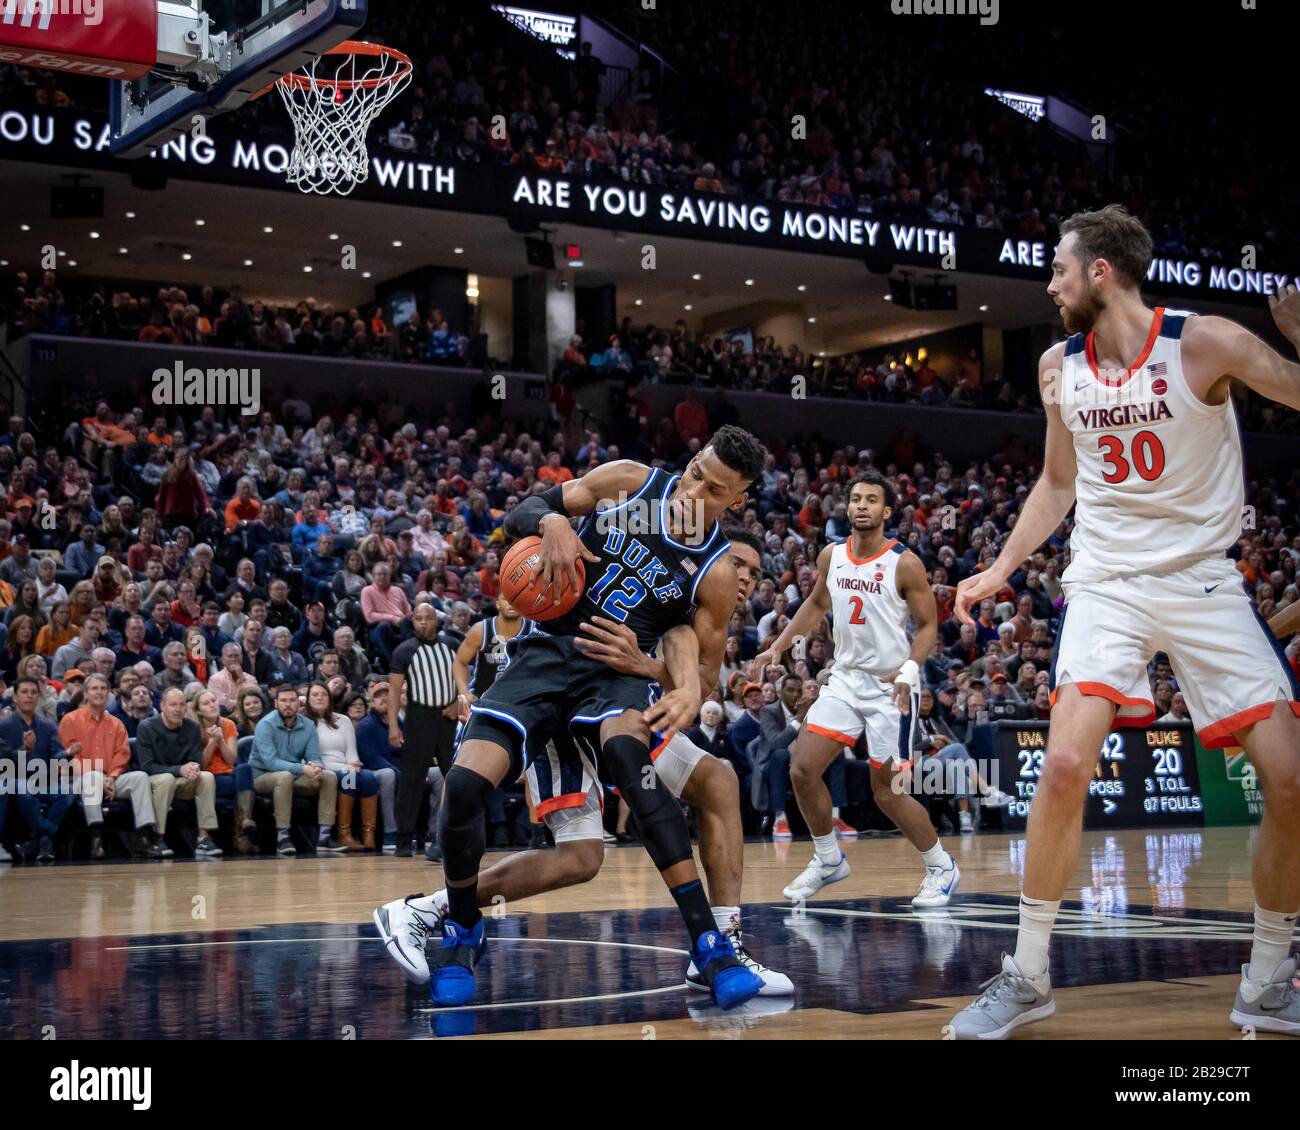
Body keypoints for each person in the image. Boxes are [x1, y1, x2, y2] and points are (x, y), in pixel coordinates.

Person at [948, 205, 1300, 1039]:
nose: (1050, 283)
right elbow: (1058, 483)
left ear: (1100, 272)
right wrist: (1000, 568)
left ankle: (1269, 977)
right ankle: (1027, 975)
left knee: (1289, 782)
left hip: (1205, 581)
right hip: (1106, 580)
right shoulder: (1054, 366)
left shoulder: (1203, 342)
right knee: (1066, 758)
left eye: (1059, 269)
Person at [373, 428, 768, 1010]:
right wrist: (552, 523)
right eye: (694, 474)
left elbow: (701, 674)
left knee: (646, 768)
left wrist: (653, 668)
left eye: (714, 491)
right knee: (463, 787)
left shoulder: (714, 572)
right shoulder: (632, 482)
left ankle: (712, 943)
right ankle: (457, 929)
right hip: (544, 656)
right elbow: (524, 512)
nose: (694, 491)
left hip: (616, 677)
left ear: (737, 500)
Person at [756, 472, 958, 907]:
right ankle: (828, 859)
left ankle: (942, 866)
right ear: (847, 508)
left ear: (886, 512)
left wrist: (909, 668)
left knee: (887, 793)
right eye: (855, 499)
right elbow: (815, 604)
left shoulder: (904, 563)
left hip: (892, 687)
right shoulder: (832, 555)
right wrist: (778, 645)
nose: (861, 505)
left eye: (871, 500)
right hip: (846, 678)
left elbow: (927, 627)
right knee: (802, 767)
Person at [384, 603, 459, 856]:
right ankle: (404, 839)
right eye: (419, 618)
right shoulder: (404, 651)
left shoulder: (451, 645)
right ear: (413, 621)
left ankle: (451, 834)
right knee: (411, 781)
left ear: (436, 620)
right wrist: (394, 725)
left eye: (428, 618)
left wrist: (457, 702)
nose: (424, 622)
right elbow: (394, 691)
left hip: (449, 718)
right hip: (419, 717)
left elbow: (466, 677)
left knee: (456, 777)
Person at [59, 672, 159, 858]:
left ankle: (143, 838)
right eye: (94, 688)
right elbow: (71, 758)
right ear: (86, 693)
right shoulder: (70, 720)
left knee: (139, 778)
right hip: (79, 780)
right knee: (92, 777)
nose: (99, 692)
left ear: (109, 693)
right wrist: (102, 778)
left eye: (103, 688)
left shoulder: (117, 723)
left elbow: (122, 755)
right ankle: (96, 840)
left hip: (110, 779)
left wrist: (111, 777)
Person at [250, 683, 344, 856]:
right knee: (284, 777)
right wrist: (302, 768)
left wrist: (316, 765)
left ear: (299, 703)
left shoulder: (308, 725)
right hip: (262, 776)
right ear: (276, 703)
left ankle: (324, 837)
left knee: (329, 776)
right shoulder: (265, 725)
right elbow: (270, 763)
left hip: (293, 774)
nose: (288, 704)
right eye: (283, 700)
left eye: (292, 700)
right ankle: (282, 836)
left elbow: (314, 756)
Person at [136, 687, 221, 856]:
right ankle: (157, 838)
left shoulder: (193, 726)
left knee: (206, 776)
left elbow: (196, 759)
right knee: (166, 779)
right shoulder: (146, 726)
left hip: (181, 779)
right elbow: (147, 766)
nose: (178, 709)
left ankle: (203, 839)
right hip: (155, 780)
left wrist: (194, 768)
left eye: (182, 705)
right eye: (173, 704)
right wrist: (180, 769)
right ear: (162, 706)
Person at [0, 675, 74, 862]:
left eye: (33, 692)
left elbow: (56, 756)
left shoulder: (48, 726)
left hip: (42, 781)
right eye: (24, 692)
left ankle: (38, 840)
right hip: (11, 780)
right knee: (20, 788)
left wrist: (67, 753)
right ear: (15, 697)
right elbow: (3, 760)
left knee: (67, 793)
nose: (29, 696)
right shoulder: (3, 726)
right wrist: (23, 750)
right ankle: (49, 833)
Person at [303, 681, 377, 851]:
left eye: (324, 694)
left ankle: (369, 834)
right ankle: (344, 833)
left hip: (345, 766)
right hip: (323, 769)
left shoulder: (343, 720)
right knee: (349, 777)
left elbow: (351, 752)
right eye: (315, 695)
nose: (320, 698)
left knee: (368, 777)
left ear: (330, 698)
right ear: (308, 699)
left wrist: (352, 763)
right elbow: (311, 757)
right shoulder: (304, 723)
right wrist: (345, 767)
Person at [189, 688, 257, 854]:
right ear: (199, 710)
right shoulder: (193, 729)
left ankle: (246, 819)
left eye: (213, 701)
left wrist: (221, 741)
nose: (212, 705)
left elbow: (232, 759)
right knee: (242, 788)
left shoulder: (228, 724)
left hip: (230, 774)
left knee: (245, 768)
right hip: (209, 779)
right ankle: (241, 835)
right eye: (206, 703)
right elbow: (201, 765)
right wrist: (213, 741)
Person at [354, 680, 401, 852]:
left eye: (387, 695)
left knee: (437, 775)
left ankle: (432, 832)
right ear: (372, 702)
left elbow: (410, 752)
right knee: (388, 775)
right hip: (370, 773)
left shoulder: (400, 724)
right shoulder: (365, 726)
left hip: (399, 770)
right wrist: (401, 773)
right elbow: (372, 759)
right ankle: (390, 833)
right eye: (378, 697)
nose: (383, 699)